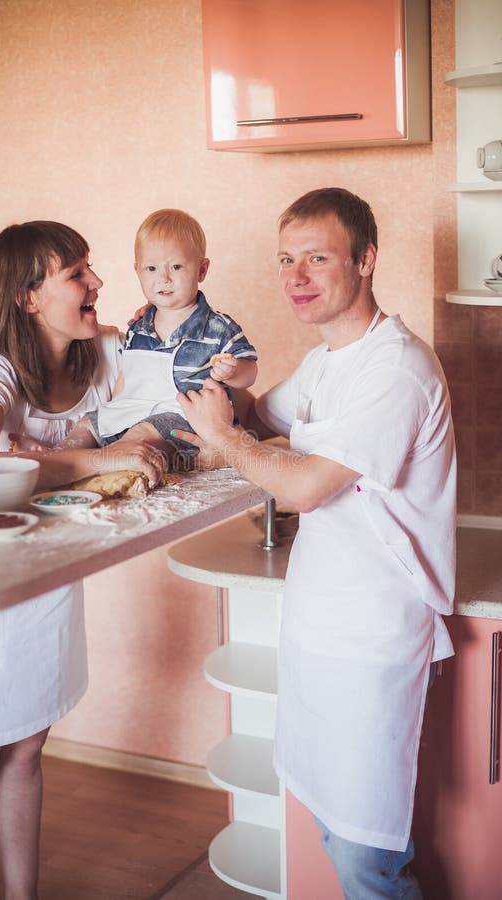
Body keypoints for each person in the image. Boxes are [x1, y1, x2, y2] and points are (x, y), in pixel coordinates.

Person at [175, 188, 457, 899]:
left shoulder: (396, 368)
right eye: (286, 260)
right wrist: (220, 378)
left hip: (373, 638)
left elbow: (302, 487)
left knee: (368, 856)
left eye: (317, 258)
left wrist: (228, 438)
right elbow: (262, 416)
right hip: (320, 626)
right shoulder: (327, 360)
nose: (296, 276)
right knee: (334, 830)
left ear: (364, 260)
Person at [0, 221, 165, 900]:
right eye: (78, 273)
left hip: (48, 577)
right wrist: (98, 457)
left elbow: (185, 364)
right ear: (29, 297)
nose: (98, 283)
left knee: (27, 749)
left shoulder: (104, 353)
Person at [20, 209, 257, 463]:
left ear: (201, 270)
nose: (163, 278)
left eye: (176, 267)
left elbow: (250, 372)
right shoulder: (138, 327)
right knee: (89, 423)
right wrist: (114, 409)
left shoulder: (217, 327)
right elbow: (128, 376)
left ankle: (106, 460)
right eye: (151, 268)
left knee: (144, 433)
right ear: (138, 271)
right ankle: (58, 456)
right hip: (135, 408)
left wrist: (233, 372)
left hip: (184, 417)